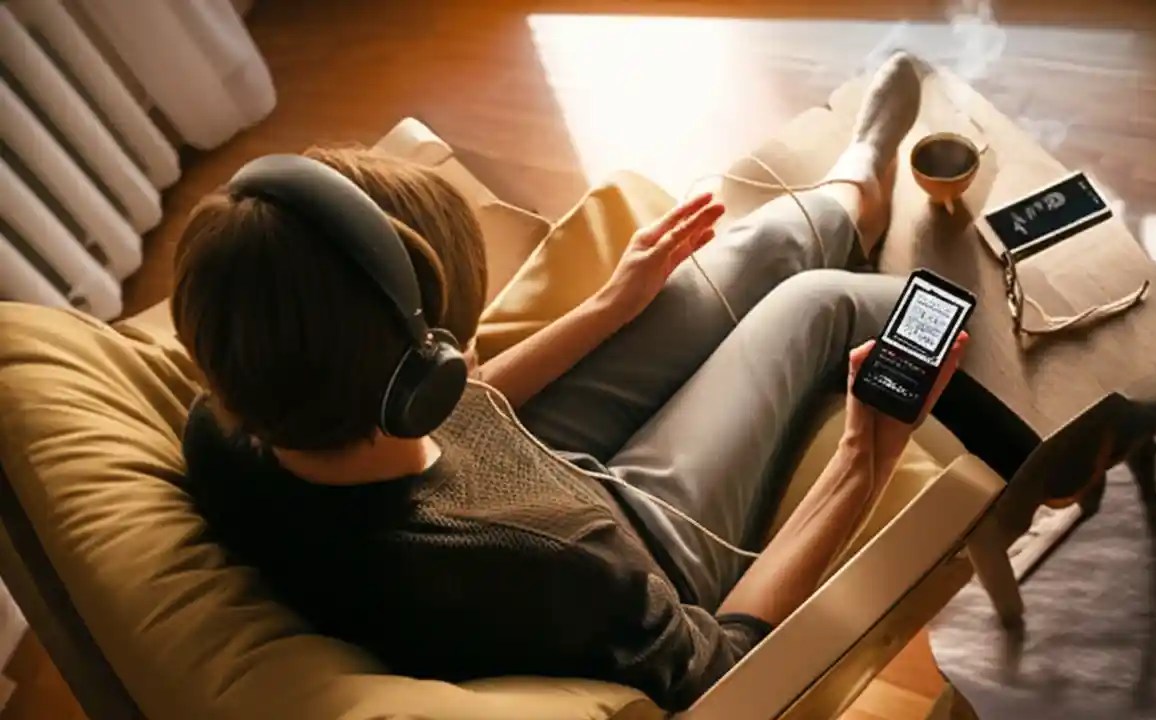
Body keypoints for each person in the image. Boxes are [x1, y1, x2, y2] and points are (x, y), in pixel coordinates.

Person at [173, 53, 964, 712]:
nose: (468, 356)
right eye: (460, 343)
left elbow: (467, 410)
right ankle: (933, 279)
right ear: (422, 381)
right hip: (631, 531)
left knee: (764, 250)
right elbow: (724, 670)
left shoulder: (228, 427)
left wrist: (609, 305)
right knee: (814, 304)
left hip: (520, 453)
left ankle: (852, 194)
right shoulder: (561, 564)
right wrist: (865, 457)